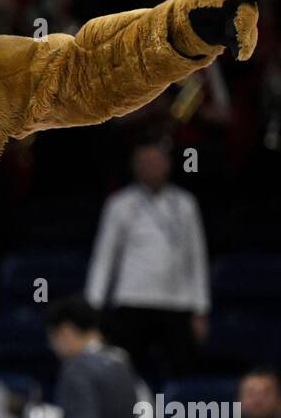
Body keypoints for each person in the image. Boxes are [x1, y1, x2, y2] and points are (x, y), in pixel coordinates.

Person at [84, 138, 210, 382]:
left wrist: (201, 309)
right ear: (135, 166)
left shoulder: (185, 204)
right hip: (132, 301)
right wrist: (93, 308)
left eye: (157, 161)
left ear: (168, 164)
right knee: (122, 373)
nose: (151, 167)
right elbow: (104, 257)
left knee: (184, 372)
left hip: (177, 303)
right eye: (145, 162)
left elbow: (197, 257)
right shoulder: (119, 204)